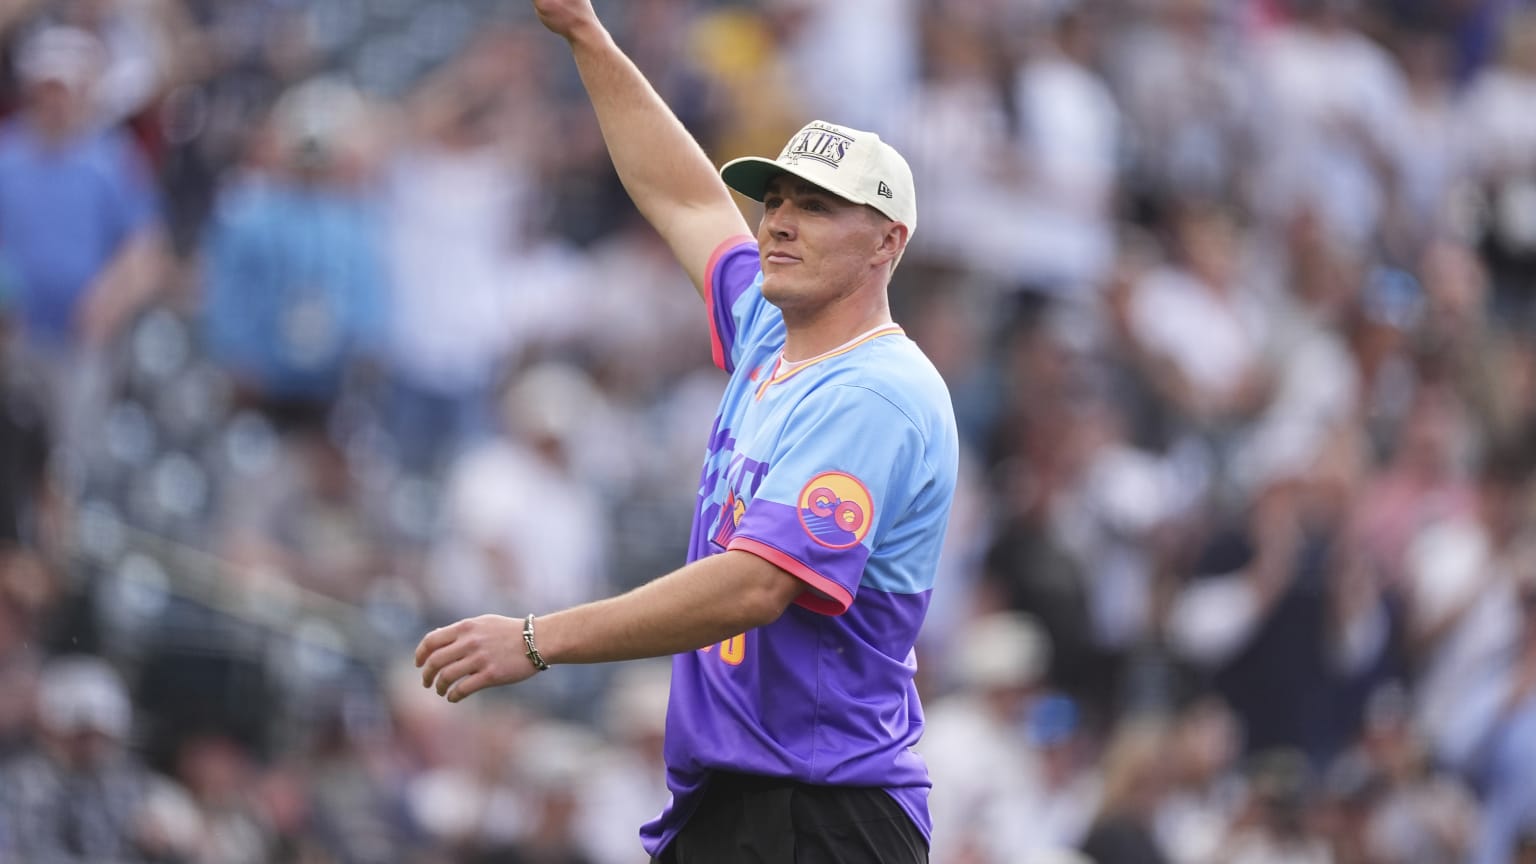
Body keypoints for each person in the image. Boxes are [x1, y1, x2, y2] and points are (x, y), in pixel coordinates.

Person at [414, 1, 959, 861]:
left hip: (821, 809)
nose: (778, 220)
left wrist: (534, 639)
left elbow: (753, 587)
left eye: (817, 207)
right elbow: (682, 193)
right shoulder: (773, 333)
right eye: (775, 199)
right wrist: (586, 36)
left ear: (887, 242)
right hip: (743, 796)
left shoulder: (877, 392)